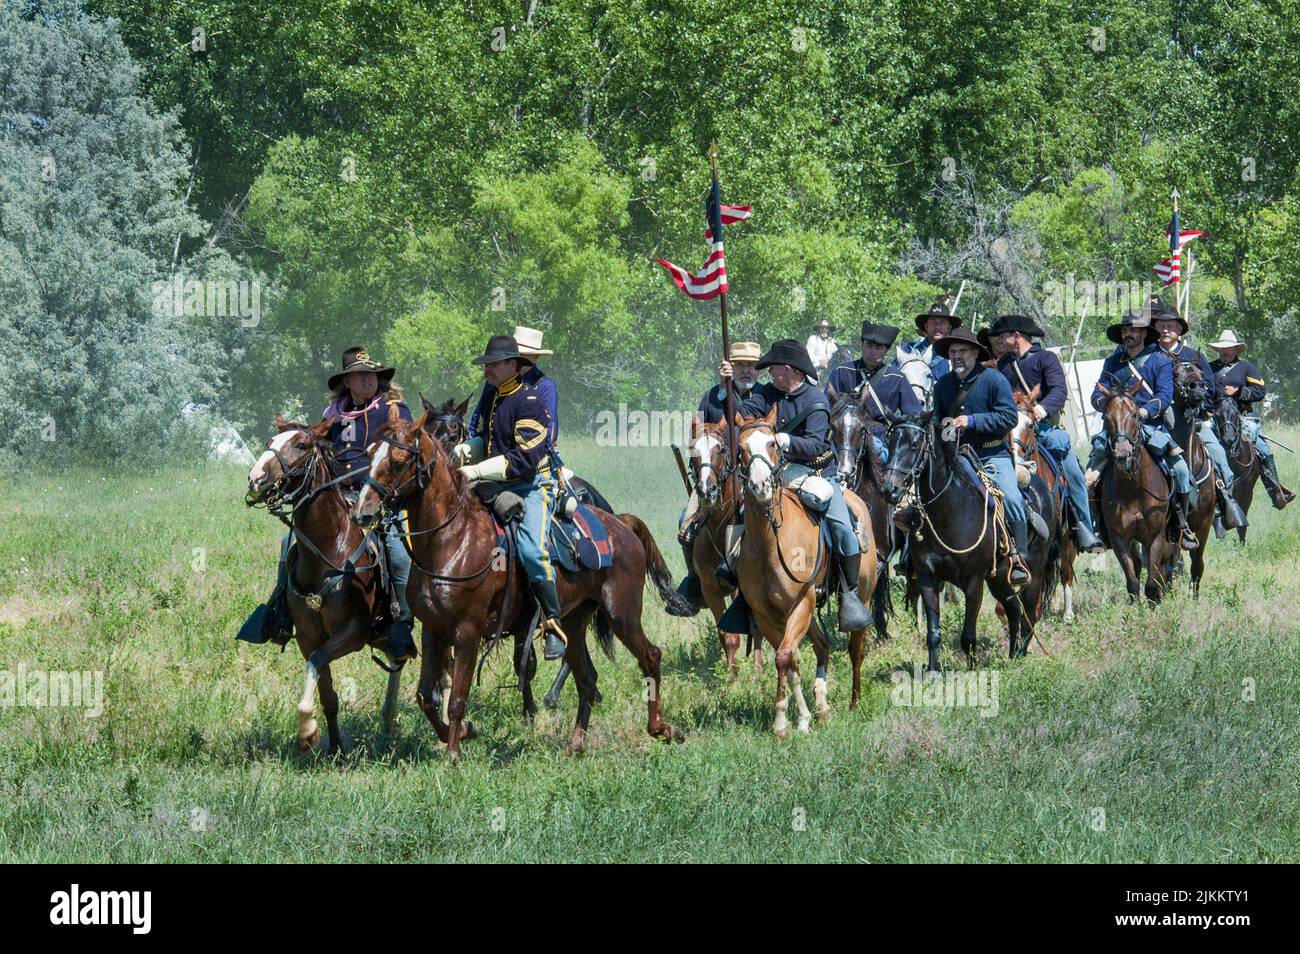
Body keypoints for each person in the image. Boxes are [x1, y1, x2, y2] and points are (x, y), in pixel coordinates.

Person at [240, 347, 418, 661]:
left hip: (380, 499)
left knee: (398, 552)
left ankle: (401, 622)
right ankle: (280, 614)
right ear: (347, 382)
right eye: (359, 375)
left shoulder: (393, 410)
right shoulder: (333, 413)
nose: (367, 380)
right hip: (340, 497)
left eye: (370, 374)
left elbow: (401, 453)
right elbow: (314, 446)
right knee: (290, 542)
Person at [717, 339, 872, 633]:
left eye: (772, 368)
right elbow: (739, 418)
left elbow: (816, 444)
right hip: (774, 472)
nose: (768, 372)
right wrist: (728, 388)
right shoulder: (766, 393)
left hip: (814, 472)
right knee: (741, 514)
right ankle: (743, 590)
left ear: (786, 370)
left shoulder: (815, 399)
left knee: (841, 521)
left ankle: (849, 593)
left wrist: (785, 440)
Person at [457, 335, 569, 660]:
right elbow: (489, 439)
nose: (487, 369)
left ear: (512, 365)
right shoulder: (493, 395)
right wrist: (468, 449)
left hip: (532, 485)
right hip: (497, 485)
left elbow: (523, 460)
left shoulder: (530, 400)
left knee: (533, 551)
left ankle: (553, 622)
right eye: (487, 364)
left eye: (493, 364)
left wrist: (476, 472)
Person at [988, 314, 1104, 552]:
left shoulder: (1046, 358)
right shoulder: (1003, 365)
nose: (998, 341)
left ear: (1016, 335)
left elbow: (1059, 390)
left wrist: (1041, 409)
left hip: (1044, 427)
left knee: (1074, 474)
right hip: (1012, 431)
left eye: (1002, 336)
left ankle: (1084, 528)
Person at [1085, 309, 1199, 550]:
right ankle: (1097, 525)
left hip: (1150, 424)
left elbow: (1165, 395)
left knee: (1179, 471)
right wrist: (1110, 405)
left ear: (1145, 333)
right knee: (1089, 474)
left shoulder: (1159, 360)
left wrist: (1145, 411)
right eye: (1126, 330)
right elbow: (1097, 394)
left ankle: (1180, 524)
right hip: (1118, 426)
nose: (1128, 333)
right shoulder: (1112, 362)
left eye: (1133, 329)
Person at [931, 328, 1031, 587]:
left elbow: (1009, 417)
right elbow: (937, 420)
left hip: (991, 453)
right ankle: (916, 559)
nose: (956, 356)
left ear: (976, 353)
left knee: (1011, 496)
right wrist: (944, 427)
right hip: (955, 456)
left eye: (962, 351)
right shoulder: (943, 385)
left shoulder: (994, 380)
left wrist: (972, 421)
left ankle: (1018, 557)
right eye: (952, 352)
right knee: (922, 496)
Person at [671, 340, 761, 613]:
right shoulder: (711, 396)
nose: (746, 371)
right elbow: (697, 434)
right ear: (731, 366)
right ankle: (695, 579)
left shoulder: (762, 396)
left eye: (751, 366)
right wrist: (722, 390)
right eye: (740, 365)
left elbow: (744, 418)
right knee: (685, 523)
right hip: (716, 477)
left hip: (754, 475)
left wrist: (728, 391)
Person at [1150, 301, 1248, 529]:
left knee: (1219, 459)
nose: (1165, 330)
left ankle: (1223, 502)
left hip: (1194, 420)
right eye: (1161, 325)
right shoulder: (1150, 356)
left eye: (1171, 326)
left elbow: (1211, 387)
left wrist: (1199, 405)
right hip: (1157, 422)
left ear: (1179, 330)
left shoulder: (1193, 355)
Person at [1208, 329, 1294, 509]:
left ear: (1236, 350)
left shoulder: (1247, 367)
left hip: (1242, 416)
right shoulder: (1209, 368)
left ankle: (1276, 491)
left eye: (1229, 348)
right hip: (1214, 417)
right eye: (1223, 349)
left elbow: (1260, 392)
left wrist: (1239, 392)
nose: (1225, 352)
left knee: (1263, 450)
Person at [825, 320, 921, 463]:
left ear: (886, 350)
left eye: (878, 348)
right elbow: (825, 407)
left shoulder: (896, 378)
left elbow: (914, 415)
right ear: (862, 345)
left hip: (878, 440)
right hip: (842, 439)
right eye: (869, 345)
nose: (872, 352)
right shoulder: (842, 372)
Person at [895, 300, 959, 379]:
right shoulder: (907, 351)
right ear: (926, 326)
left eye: (942, 322)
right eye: (933, 322)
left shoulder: (956, 355)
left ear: (949, 327)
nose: (937, 327)